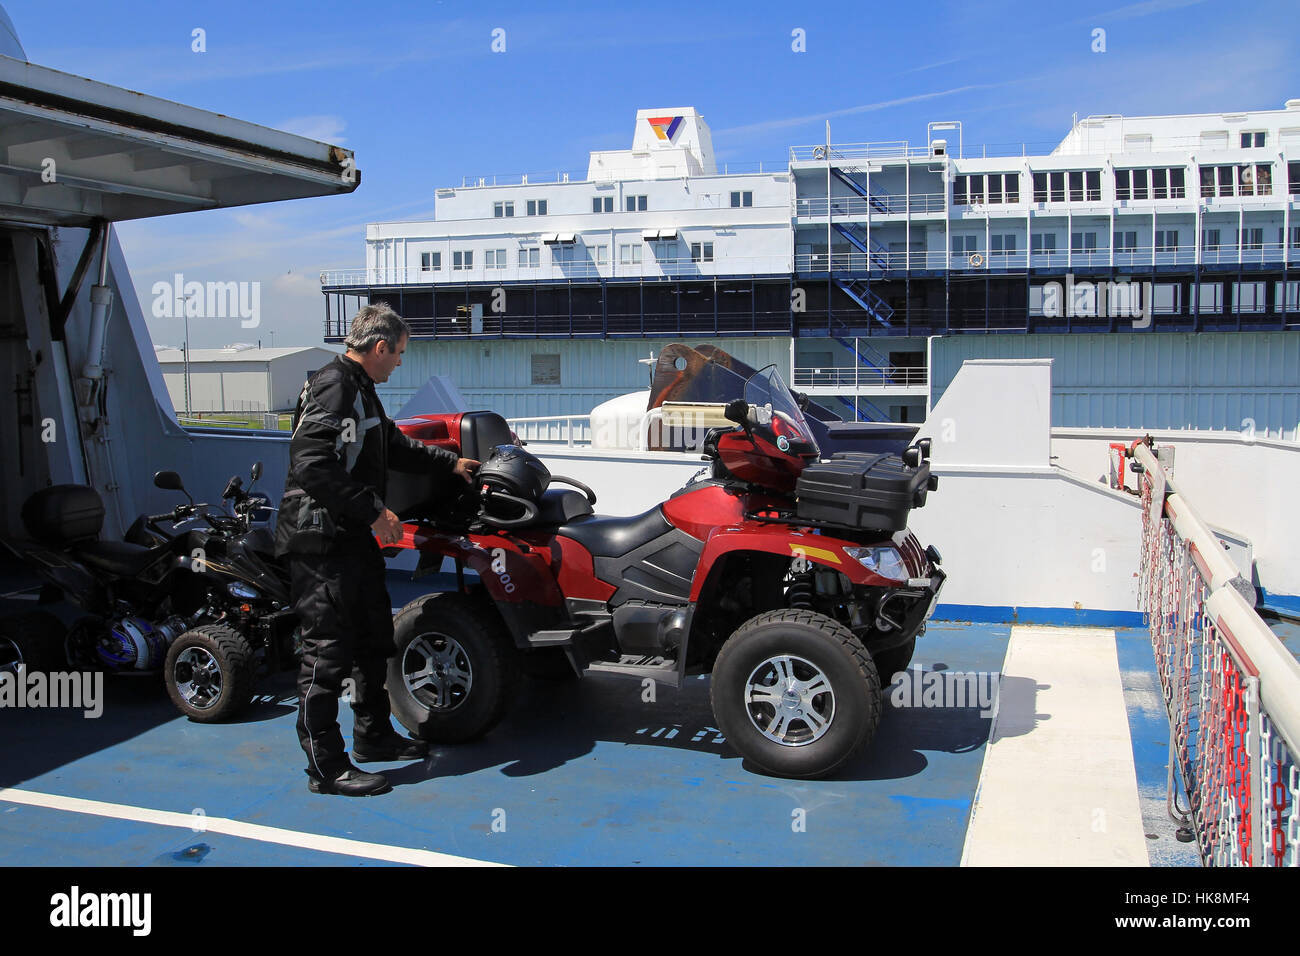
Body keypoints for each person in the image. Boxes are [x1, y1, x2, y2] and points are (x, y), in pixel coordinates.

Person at [275, 303, 478, 796]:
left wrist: (450, 464)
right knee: (326, 655)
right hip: (319, 540)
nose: (400, 364)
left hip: (348, 538)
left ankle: (374, 737)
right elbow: (310, 463)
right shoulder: (335, 385)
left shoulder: (361, 389)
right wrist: (375, 512)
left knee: (372, 641)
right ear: (380, 347)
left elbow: (391, 444)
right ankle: (325, 768)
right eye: (399, 354)